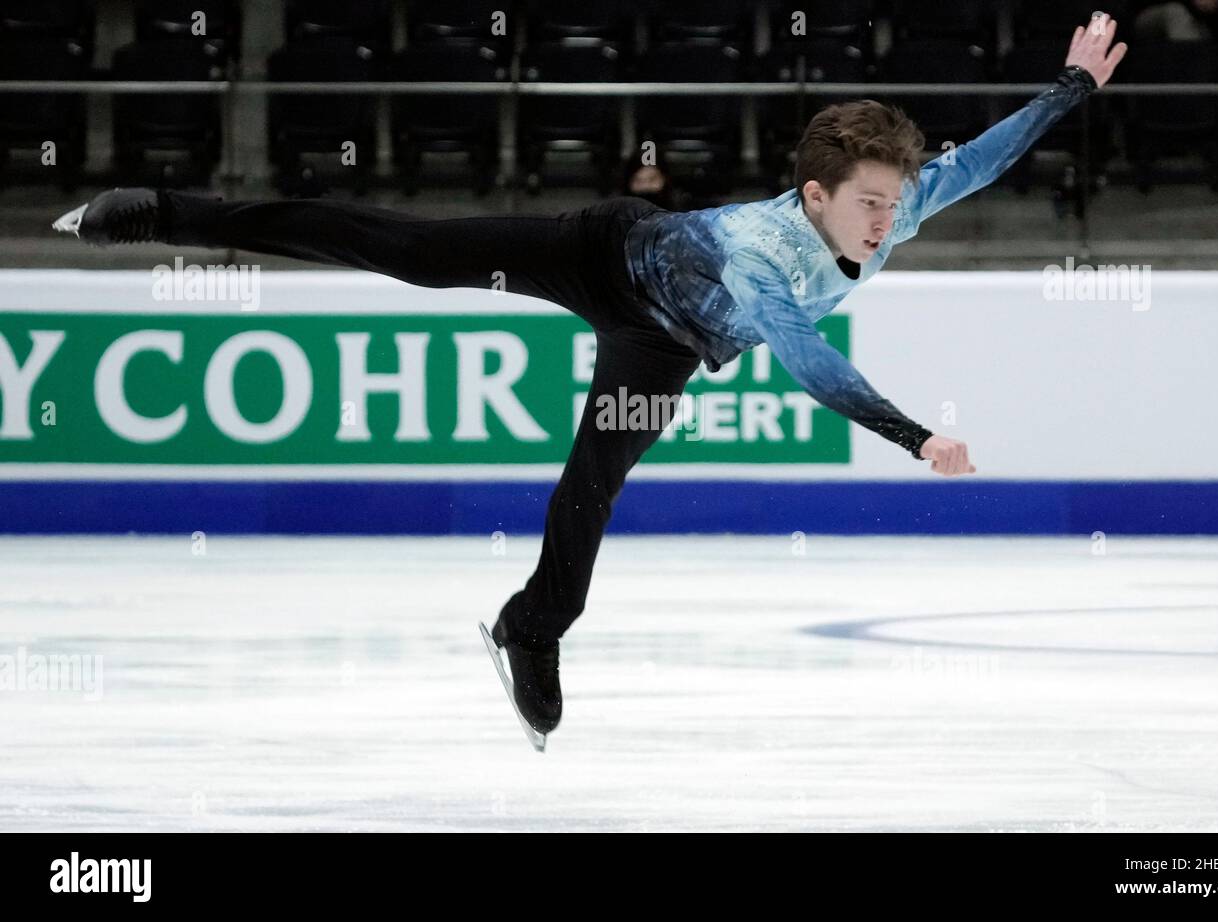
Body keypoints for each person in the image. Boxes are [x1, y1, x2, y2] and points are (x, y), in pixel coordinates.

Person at [52, 15, 1128, 743]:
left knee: (592, 483)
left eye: (896, 202)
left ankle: (530, 625)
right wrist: (912, 435)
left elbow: (980, 158)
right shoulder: (761, 255)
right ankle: (160, 213)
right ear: (813, 194)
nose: (888, 222)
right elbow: (803, 354)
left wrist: (1072, 83)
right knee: (405, 250)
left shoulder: (894, 206)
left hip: (662, 346)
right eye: (869, 206)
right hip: (601, 254)